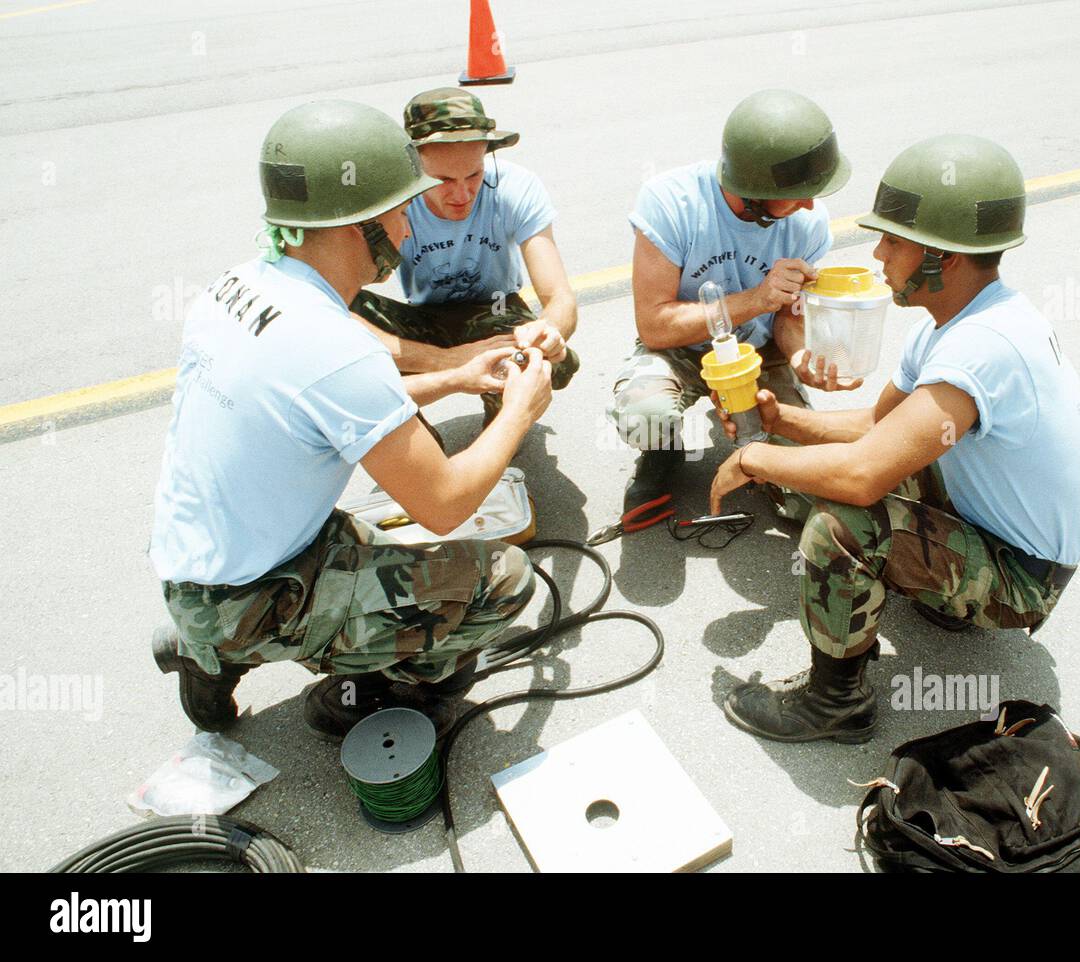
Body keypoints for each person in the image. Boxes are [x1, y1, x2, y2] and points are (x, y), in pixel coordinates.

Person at [149, 100, 554, 740]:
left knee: (376, 548)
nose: (408, 231)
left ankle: (204, 646)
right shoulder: (338, 350)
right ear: (354, 226)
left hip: (203, 559)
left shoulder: (237, 284)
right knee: (501, 580)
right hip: (251, 591)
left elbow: (328, 406)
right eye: (398, 213)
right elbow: (445, 503)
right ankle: (358, 697)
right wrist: (518, 410)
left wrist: (454, 378)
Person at [709, 135, 1080, 743]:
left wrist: (754, 458)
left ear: (942, 257)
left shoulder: (982, 348)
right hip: (994, 524)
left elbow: (861, 474)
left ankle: (835, 704)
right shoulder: (963, 320)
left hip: (1025, 576)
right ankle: (946, 594)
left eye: (893, 240)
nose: (877, 254)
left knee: (841, 522)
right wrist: (782, 424)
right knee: (820, 465)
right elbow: (877, 427)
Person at [606, 89, 854, 528]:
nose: (811, 204)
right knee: (644, 416)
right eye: (797, 193)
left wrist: (798, 355)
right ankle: (662, 451)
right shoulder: (670, 202)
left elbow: (787, 317)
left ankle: (758, 451)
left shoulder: (808, 223)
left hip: (757, 354)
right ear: (753, 189)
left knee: (807, 499)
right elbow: (655, 327)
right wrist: (757, 297)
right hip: (681, 347)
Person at [352, 88, 578, 427]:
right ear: (413, 166)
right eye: (442, 180)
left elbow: (559, 296)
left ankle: (500, 412)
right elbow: (334, 307)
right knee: (348, 332)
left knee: (547, 362)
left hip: (496, 309)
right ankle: (405, 427)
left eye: (473, 175)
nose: (462, 194)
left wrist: (549, 332)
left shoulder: (516, 187)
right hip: (423, 316)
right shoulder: (392, 200)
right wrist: (446, 361)